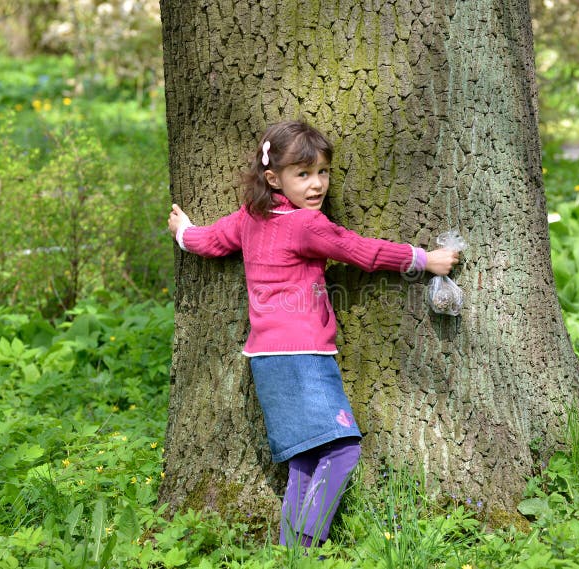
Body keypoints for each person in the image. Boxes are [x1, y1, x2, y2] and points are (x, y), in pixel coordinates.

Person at [167, 120, 459, 548]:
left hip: (265, 358)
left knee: (306, 456)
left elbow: (208, 240)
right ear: (274, 178)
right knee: (342, 450)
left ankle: (292, 552)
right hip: (302, 355)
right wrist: (424, 260)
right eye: (303, 174)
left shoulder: (251, 218)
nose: (317, 184)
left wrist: (183, 232)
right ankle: (308, 540)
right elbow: (360, 250)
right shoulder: (307, 225)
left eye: (323, 172)